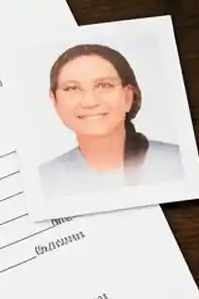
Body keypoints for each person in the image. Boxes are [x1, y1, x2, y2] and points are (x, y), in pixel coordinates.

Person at [38, 44, 183, 196]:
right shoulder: (44, 180)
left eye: (103, 86)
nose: (90, 101)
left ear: (128, 96)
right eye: (72, 88)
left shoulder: (177, 163)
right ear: (54, 100)